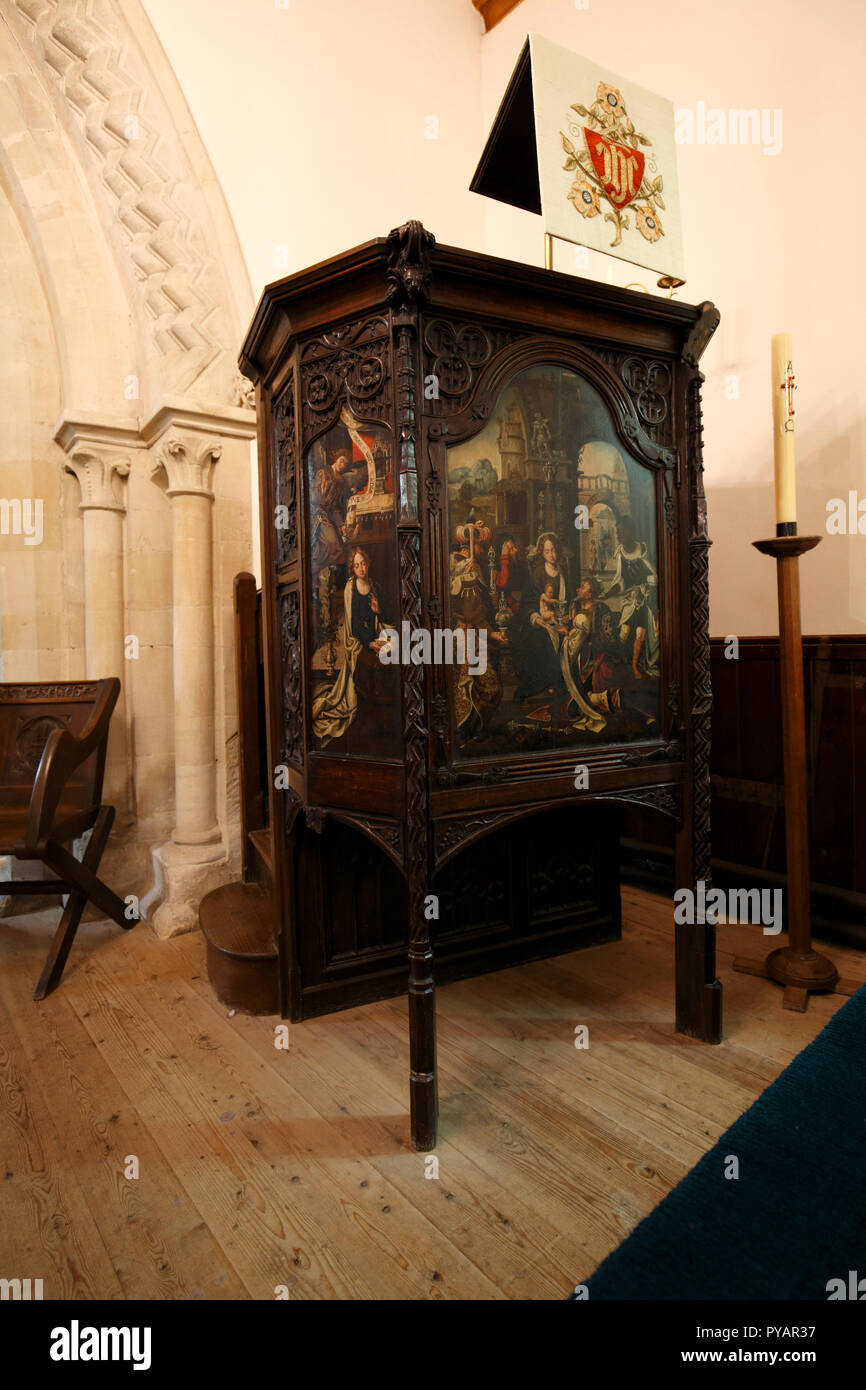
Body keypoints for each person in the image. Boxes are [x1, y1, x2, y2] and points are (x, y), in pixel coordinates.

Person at [311, 546, 392, 746]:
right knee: (372, 663)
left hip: (378, 635)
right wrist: (370, 642)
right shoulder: (351, 588)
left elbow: (388, 616)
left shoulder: (375, 587)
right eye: (356, 565)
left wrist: (378, 610)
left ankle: (383, 713)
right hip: (359, 641)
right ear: (353, 569)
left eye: (363, 563)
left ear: (368, 564)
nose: (361, 568)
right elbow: (354, 625)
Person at [509, 532, 569, 701]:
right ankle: (546, 683)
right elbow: (528, 603)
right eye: (548, 551)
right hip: (537, 622)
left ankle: (560, 682)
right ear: (542, 553)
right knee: (541, 641)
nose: (552, 555)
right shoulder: (537, 573)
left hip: (559, 619)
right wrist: (538, 619)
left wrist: (566, 616)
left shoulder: (563, 572)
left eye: (554, 550)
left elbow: (568, 598)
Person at [602, 515, 659, 679]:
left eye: (621, 532)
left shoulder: (643, 549)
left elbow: (653, 573)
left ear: (629, 531)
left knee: (641, 633)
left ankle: (634, 667)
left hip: (645, 598)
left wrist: (650, 586)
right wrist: (607, 594)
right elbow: (621, 582)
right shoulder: (620, 554)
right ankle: (617, 660)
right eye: (617, 533)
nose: (619, 536)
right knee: (625, 632)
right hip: (630, 600)